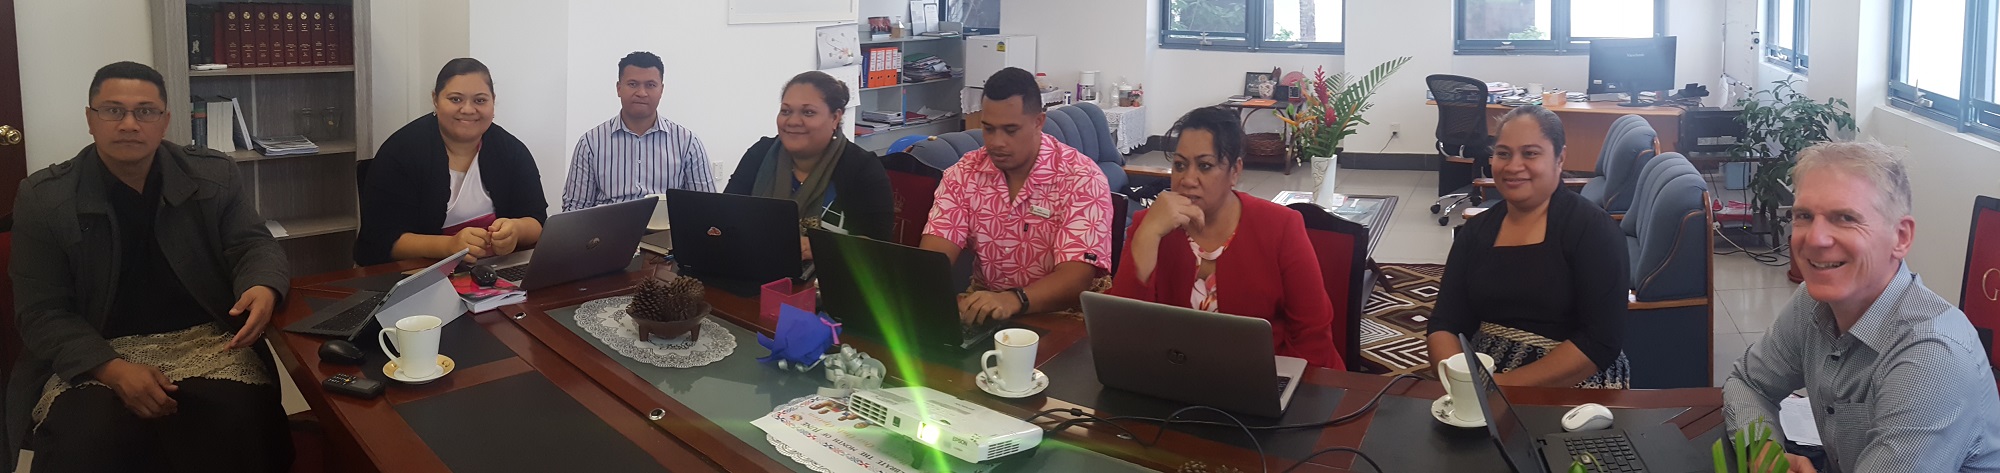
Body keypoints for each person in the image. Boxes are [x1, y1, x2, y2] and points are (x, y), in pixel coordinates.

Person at [5, 61, 292, 472]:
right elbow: (40, 312)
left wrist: (263, 285)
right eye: (112, 110)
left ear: (165, 120)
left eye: (145, 111)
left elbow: (252, 244)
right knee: (87, 436)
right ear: (90, 119)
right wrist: (114, 369)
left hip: (204, 341)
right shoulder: (43, 198)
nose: (128, 124)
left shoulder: (213, 174)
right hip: (94, 351)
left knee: (239, 418)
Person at [1724, 142, 2000, 473]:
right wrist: (1764, 452)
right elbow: (1749, 382)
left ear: (1900, 237)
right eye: (1804, 216)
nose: (1815, 239)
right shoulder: (1813, 301)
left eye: (1845, 218)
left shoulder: (1934, 357)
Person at [1110, 107, 1343, 369]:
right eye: (1180, 165)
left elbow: (1312, 336)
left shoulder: (1281, 227)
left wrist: (1289, 393)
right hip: (1173, 378)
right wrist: (1148, 235)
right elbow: (1122, 332)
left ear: (1235, 171)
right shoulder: (1151, 225)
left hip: (1264, 376)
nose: (1187, 179)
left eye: (1205, 166)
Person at [1426, 105, 1631, 389]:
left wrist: (1500, 389)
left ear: (1560, 159)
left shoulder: (1593, 231)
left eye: (1530, 154)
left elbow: (1599, 341)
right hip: (1483, 377)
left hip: (1574, 384)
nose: (1513, 166)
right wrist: (1458, 383)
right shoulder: (1475, 232)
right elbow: (1445, 324)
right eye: (1503, 153)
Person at [920, 67, 1112, 324]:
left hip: (1069, 314)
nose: (997, 142)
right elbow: (934, 258)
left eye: (1010, 130)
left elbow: (1076, 278)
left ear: (1038, 122)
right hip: (987, 306)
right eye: (988, 129)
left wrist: (1014, 300)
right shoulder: (963, 173)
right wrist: (929, 290)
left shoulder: (1081, 177)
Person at [356, 58, 547, 266]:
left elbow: (537, 220)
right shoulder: (401, 152)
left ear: (493, 101)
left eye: (480, 100)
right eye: (455, 99)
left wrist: (515, 232)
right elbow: (381, 240)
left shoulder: (511, 151)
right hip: (418, 276)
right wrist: (449, 247)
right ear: (435, 100)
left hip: (493, 272)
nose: (467, 109)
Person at [725, 71, 893, 258]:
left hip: (830, 280)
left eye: (808, 112)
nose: (793, 121)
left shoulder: (861, 167)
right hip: (754, 273)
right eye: (786, 111)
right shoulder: (760, 154)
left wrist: (824, 246)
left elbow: (879, 247)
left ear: (835, 118)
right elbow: (725, 216)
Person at [561, 51, 716, 211]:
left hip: (667, 233)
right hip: (611, 233)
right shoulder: (591, 143)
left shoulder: (687, 142)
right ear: (619, 88)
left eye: (650, 85)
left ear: (661, 90)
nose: (641, 93)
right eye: (633, 84)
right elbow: (575, 209)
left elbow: (706, 208)